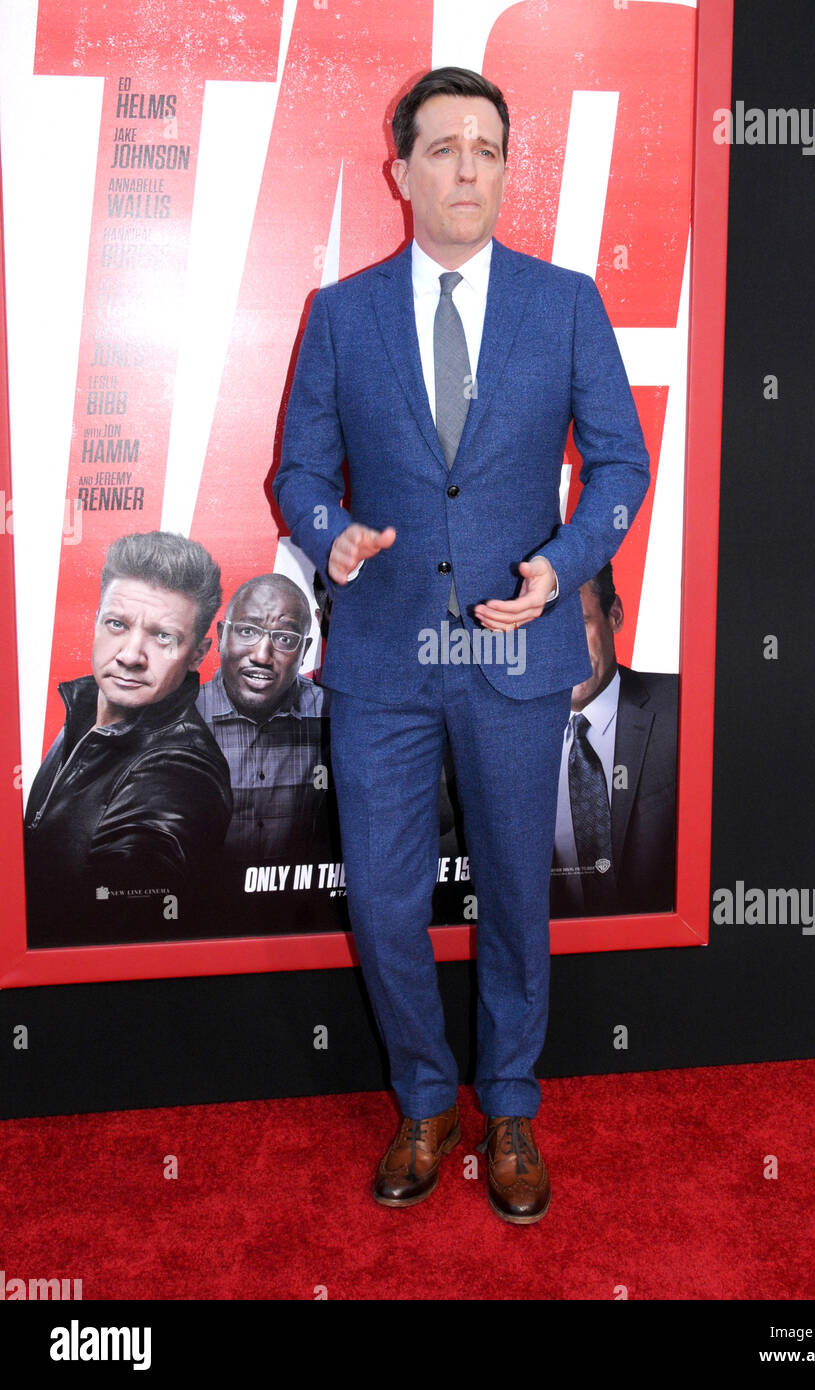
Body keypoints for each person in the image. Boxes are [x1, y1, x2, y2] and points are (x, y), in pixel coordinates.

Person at [274, 67, 649, 1222]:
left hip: (515, 649)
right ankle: (425, 1101)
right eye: (442, 149)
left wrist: (560, 563)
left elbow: (620, 465)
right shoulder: (340, 313)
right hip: (383, 654)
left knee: (512, 899)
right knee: (385, 905)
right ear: (400, 172)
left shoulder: (565, 301)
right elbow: (296, 471)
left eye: (485, 148)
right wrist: (329, 540)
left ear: (504, 166)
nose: (467, 169)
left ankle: (514, 1108)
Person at [24, 531, 232, 947]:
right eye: (117, 624)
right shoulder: (87, 710)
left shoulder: (178, 774)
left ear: (198, 653)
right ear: (97, 619)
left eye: (162, 637)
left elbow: (119, 919)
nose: (131, 655)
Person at [552, 564, 678, 919]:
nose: (562, 651)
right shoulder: (500, 742)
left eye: (580, 624)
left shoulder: (682, 708)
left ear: (615, 616)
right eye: (545, 632)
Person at [195, 573, 333, 869]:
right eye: (246, 631)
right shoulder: (179, 716)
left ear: (304, 651)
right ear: (221, 636)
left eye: (285, 638)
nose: (261, 655)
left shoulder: (331, 715)